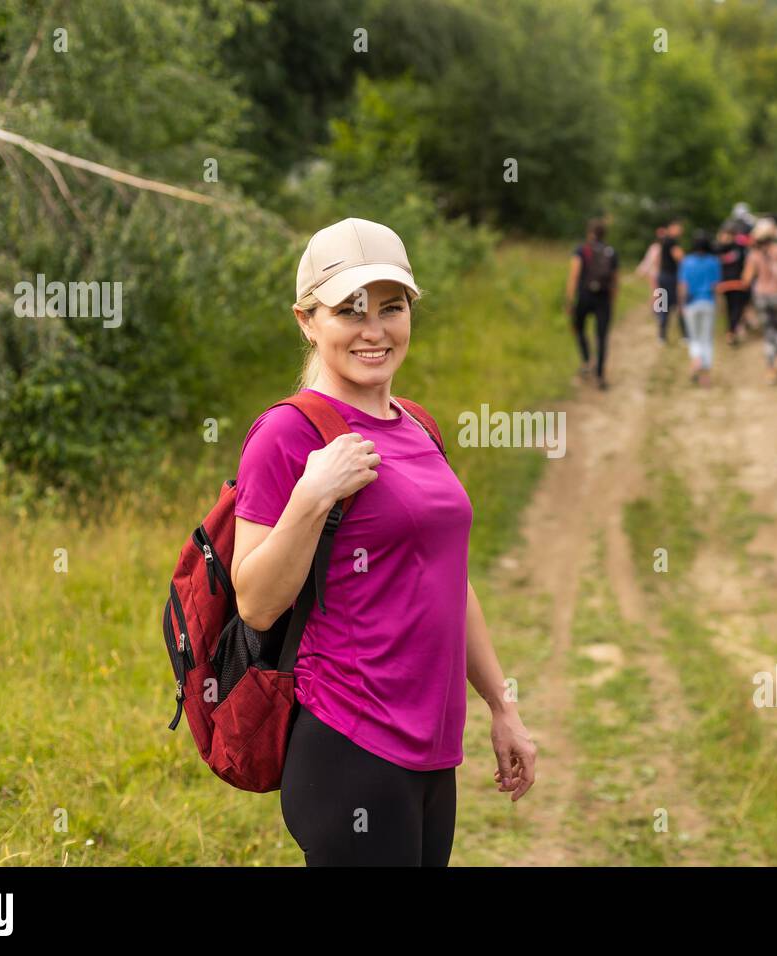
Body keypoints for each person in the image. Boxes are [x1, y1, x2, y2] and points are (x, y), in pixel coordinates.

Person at [231, 217, 537, 866]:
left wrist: (501, 707)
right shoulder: (287, 435)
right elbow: (255, 603)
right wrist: (313, 496)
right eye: (350, 311)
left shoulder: (419, 426)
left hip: (434, 751)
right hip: (350, 746)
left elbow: (449, 580)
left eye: (391, 308)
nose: (375, 330)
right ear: (306, 320)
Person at [722, 217, 777, 384]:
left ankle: (770, 370)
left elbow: (746, 280)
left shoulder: (753, 255)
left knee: (769, 333)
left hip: (762, 296)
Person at [564, 217, 619, 390]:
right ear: (604, 234)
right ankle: (601, 376)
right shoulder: (611, 252)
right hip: (603, 299)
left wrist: (569, 300)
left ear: (589, 233)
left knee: (579, 329)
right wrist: (612, 302)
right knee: (602, 337)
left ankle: (587, 361)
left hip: (584, 297)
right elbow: (615, 281)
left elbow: (573, 276)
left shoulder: (581, 250)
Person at [678, 229, 721, 386]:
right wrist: (719, 305)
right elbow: (716, 286)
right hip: (708, 302)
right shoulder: (713, 262)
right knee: (707, 340)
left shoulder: (686, 262)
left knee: (694, 338)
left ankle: (696, 359)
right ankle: (705, 375)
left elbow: (683, 285)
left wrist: (681, 304)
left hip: (691, 304)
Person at [716, 218, 752, 347]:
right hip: (730, 284)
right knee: (733, 309)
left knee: (734, 309)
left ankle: (731, 331)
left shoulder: (720, 248)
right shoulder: (721, 249)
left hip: (735, 283)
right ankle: (731, 331)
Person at [655, 217, 687, 343]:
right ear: (672, 228)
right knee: (678, 305)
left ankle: (662, 336)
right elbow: (680, 257)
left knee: (663, 306)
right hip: (670, 278)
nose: (681, 231)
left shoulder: (665, 241)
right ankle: (684, 335)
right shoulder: (671, 241)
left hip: (663, 276)